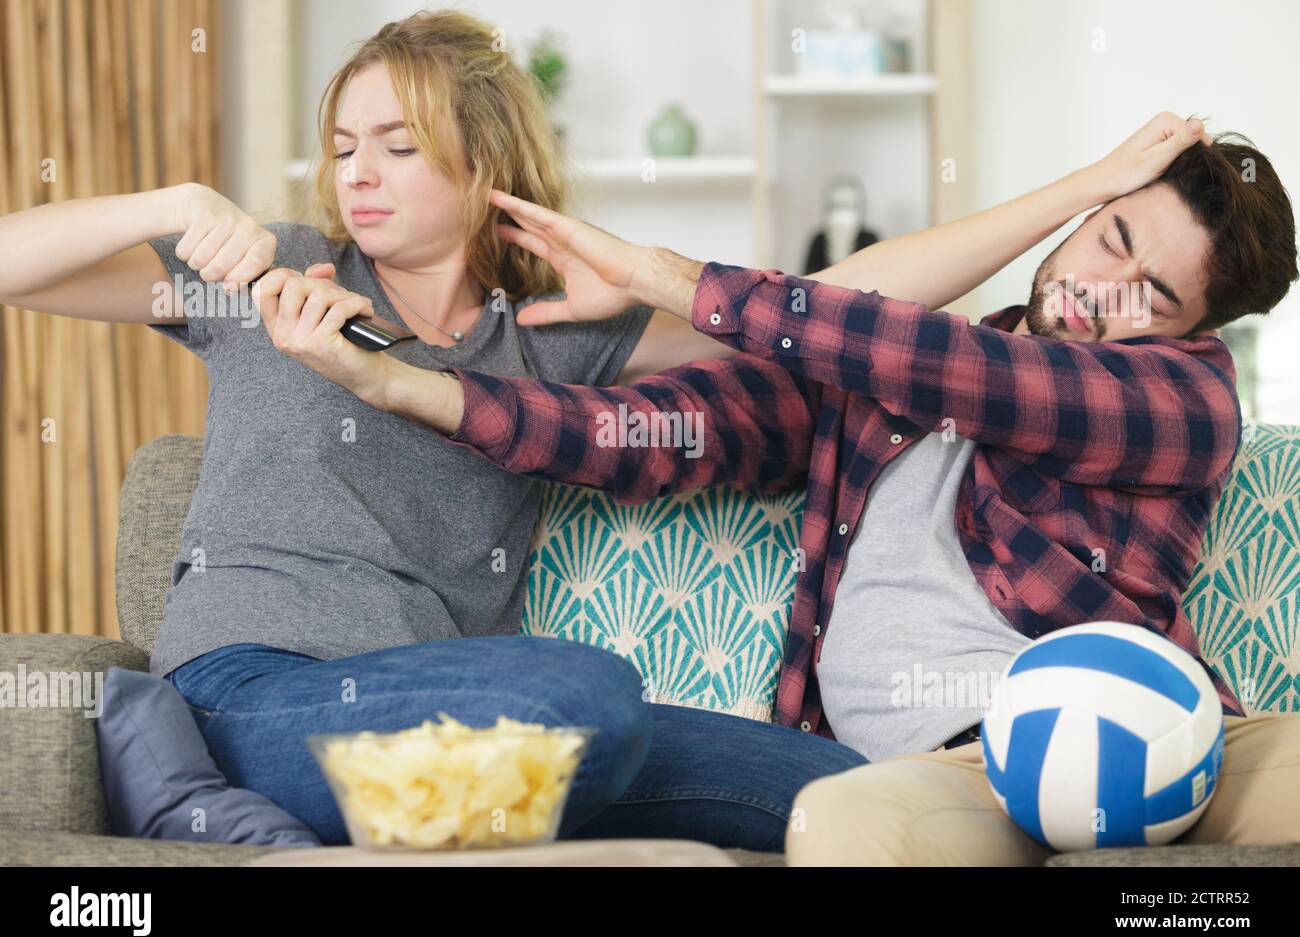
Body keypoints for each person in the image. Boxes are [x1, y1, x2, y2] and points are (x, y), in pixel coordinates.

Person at [266, 114, 1300, 863]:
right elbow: (650, 433)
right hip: (962, 772)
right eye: (1110, 236)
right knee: (837, 828)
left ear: (1191, 328)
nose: (1100, 285)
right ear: (1091, 212)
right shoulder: (884, 385)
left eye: (1152, 293)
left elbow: (956, 367)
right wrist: (404, 384)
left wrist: (658, 274)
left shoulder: (1176, 398)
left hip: (1167, 741)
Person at [0, 9, 864, 850]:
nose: (357, 173)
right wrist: (172, 204)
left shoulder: (551, 335)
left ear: (484, 161)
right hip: (245, 691)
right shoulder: (277, 270)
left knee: (839, 790)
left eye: (398, 146)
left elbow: (828, 310)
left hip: (444, 708)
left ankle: (416, 813)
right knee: (581, 698)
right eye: (343, 148)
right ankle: (262, 792)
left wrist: (648, 274)